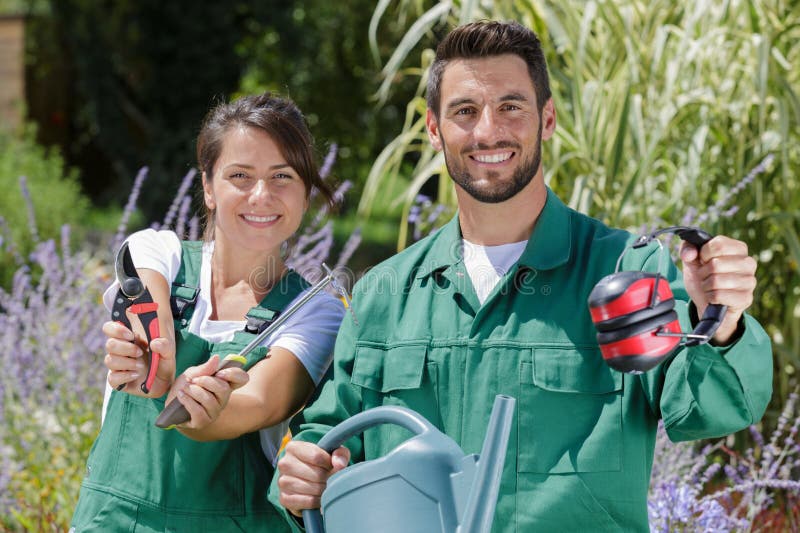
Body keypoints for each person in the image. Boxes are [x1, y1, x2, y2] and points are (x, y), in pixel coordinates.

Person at [272, 21, 773, 532]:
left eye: (510, 106)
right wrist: (304, 475)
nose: (488, 131)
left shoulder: (627, 271)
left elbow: (707, 410)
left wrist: (722, 322)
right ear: (434, 129)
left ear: (547, 118)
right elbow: (326, 438)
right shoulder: (385, 293)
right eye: (465, 111)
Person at [71, 92, 345, 532]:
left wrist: (204, 409)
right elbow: (150, 324)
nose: (261, 195)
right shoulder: (158, 253)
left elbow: (257, 402)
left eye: (282, 176)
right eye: (240, 176)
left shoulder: (316, 312)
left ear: (305, 192)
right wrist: (151, 366)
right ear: (208, 187)